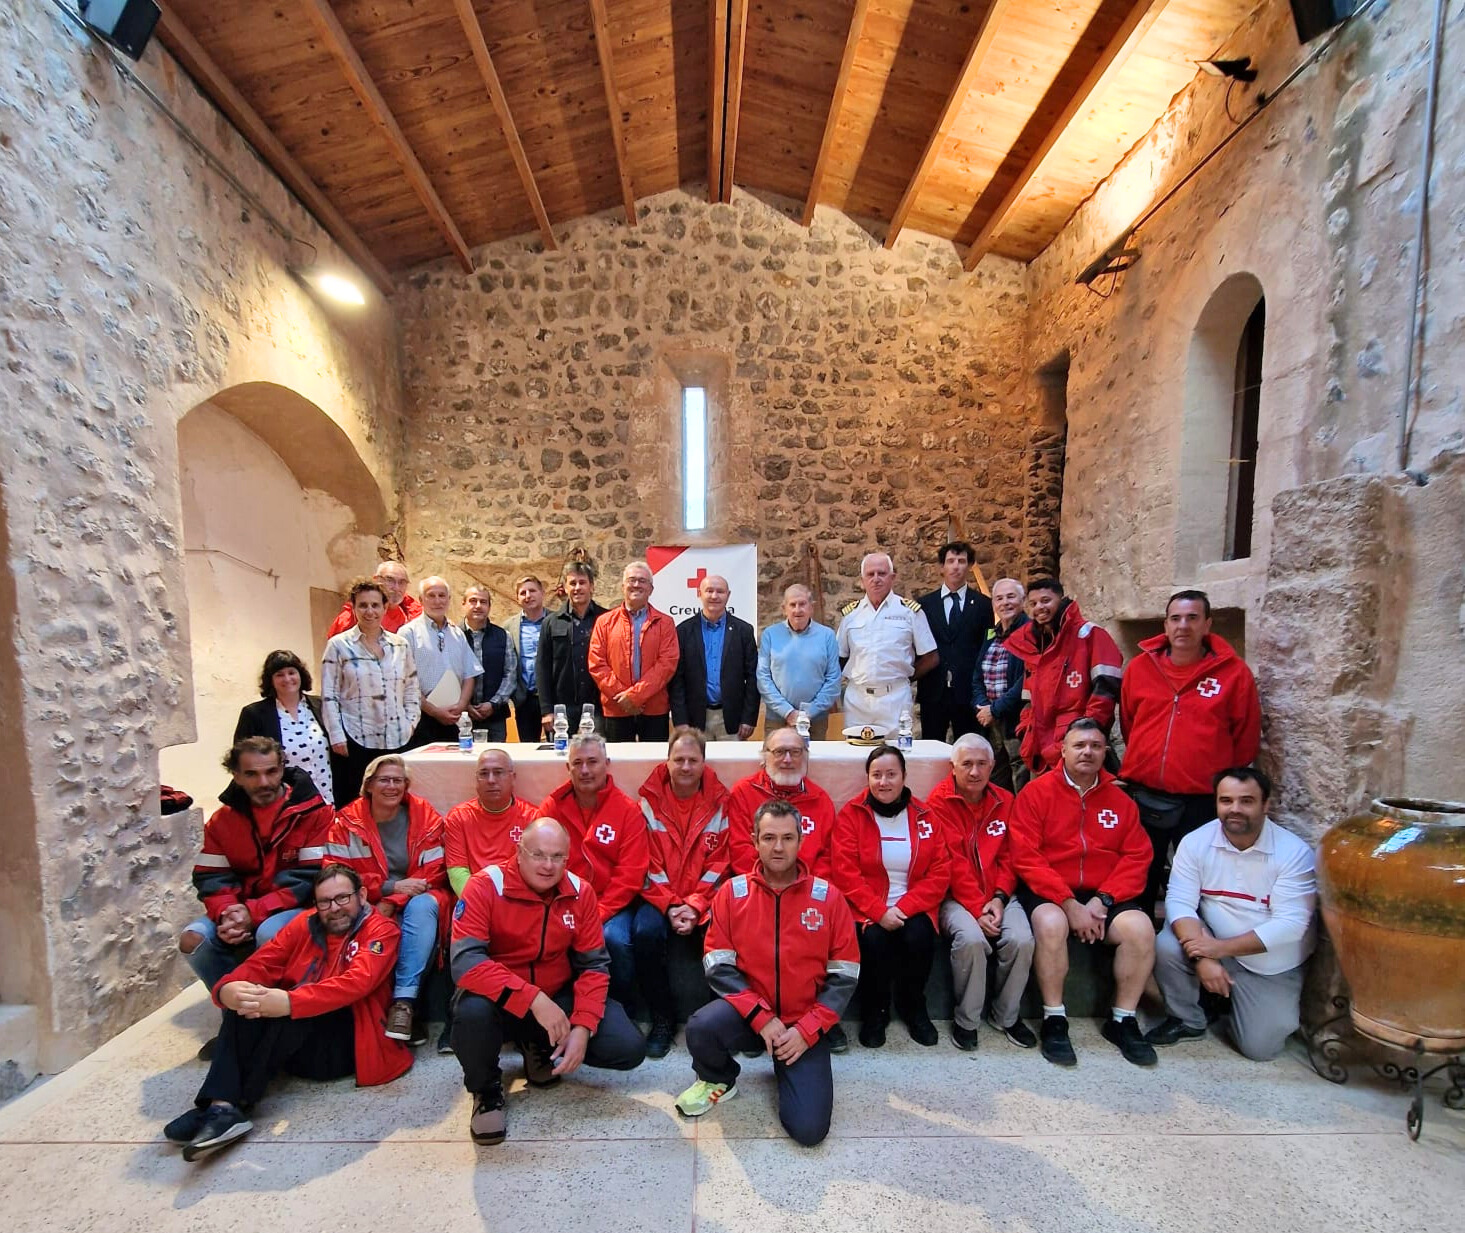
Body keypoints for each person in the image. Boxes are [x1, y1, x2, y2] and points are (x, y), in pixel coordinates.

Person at [164, 865, 411, 1161]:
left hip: (350, 1046)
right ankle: (220, 1105)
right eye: (324, 902)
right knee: (246, 1000)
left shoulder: (382, 930)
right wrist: (228, 989)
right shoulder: (304, 923)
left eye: (343, 898)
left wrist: (288, 1003)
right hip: (303, 1042)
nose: (334, 909)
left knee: (286, 1011)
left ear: (360, 895)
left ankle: (232, 1104)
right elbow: (262, 963)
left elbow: (355, 984)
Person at [451, 818, 646, 1145]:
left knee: (627, 1047)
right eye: (538, 854)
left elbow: (594, 966)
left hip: (556, 993)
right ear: (519, 852)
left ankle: (539, 1046)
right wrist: (532, 1000)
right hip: (501, 1000)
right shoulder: (485, 885)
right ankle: (486, 1091)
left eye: (557, 857)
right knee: (471, 1013)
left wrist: (583, 1026)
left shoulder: (580, 891)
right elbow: (466, 963)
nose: (547, 865)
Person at [675, 800, 859, 1146]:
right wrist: (760, 1017)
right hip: (749, 1016)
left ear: (801, 841)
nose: (778, 847)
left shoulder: (828, 898)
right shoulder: (732, 893)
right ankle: (719, 1080)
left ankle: (788, 1064)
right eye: (769, 837)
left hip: (803, 1022)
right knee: (701, 1027)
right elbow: (717, 964)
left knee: (809, 1131)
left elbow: (844, 976)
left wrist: (807, 1030)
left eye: (788, 838)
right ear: (754, 840)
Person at [1011, 719, 1156, 1068]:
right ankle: (1054, 1018)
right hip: (1052, 891)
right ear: (1063, 750)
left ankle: (1122, 1019)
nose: (1087, 752)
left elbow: (1138, 855)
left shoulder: (1121, 801)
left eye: (1095, 745)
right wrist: (1067, 902)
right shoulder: (1037, 793)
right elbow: (1026, 855)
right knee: (1049, 923)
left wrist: (1103, 899)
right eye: (1079, 745)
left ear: (1105, 751)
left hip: (1105, 894)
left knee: (1141, 929)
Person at [1146, 767, 1316, 1061]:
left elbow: (1291, 925)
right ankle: (1188, 1018)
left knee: (1260, 1049)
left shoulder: (1293, 853)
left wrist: (1218, 949)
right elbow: (1180, 901)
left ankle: (1226, 1001)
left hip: (1268, 963)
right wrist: (1204, 956)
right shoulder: (1196, 842)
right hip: (1215, 943)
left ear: (1266, 805)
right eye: (1226, 801)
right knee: (1167, 944)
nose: (1234, 809)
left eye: (1246, 801)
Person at [1119, 589, 1262, 916]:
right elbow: (1129, 721)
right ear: (1166, 625)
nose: (1183, 626)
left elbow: (1246, 734)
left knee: (1198, 880)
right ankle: (1138, 944)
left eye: (1192, 618)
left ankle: (1189, 946)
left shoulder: (1234, 674)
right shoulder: (1141, 668)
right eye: (1176, 618)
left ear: (1207, 624)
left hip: (1202, 800)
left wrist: (1216, 775)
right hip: (1146, 795)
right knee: (1140, 877)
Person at [180, 737, 333, 997]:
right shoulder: (222, 820)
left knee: (268, 933)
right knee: (193, 940)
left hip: (298, 905)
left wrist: (254, 913)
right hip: (242, 908)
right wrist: (227, 913)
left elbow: (312, 879)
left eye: (271, 771)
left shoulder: (315, 814)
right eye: (251, 774)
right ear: (236, 776)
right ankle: (233, 1006)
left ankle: (274, 1006)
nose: (263, 782)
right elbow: (211, 876)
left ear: (282, 769)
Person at [325, 755, 451, 1044]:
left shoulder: (425, 816)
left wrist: (392, 900)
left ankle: (404, 1004)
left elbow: (433, 871)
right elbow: (335, 875)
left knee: (423, 906)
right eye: (384, 779)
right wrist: (387, 888)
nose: (391, 786)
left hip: (411, 900)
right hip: (365, 900)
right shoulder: (345, 823)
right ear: (368, 785)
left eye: (398, 780)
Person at [832, 745, 950, 1048]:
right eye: (876, 775)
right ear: (868, 778)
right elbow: (844, 872)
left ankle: (914, 1006)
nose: (883, 782)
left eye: (891, 775)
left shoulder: (925, 815)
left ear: (904, 777)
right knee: (874, 942)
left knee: (919, 937)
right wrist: (878, 910)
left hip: (914, 904)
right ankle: (876, 1010)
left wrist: (904, 908)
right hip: (867, 907)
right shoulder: (852, 815)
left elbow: (940, 872)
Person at [926, 734, 1037, 1051]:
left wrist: (1000, 898)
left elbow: (1010, 856)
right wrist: (978, 908)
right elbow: (951, 862)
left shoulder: (1006, 800)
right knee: (972, 940)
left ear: (992, 766)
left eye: (981, 764)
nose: (974, 772)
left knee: (1022, 939)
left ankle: (1006, 1016)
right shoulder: (938, 803)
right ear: (953, 767)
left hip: (1001, 894)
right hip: (955, 897)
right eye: (967, 764)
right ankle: (967, 1020)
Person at [538, 733, 651, 1013]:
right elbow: (538, 860)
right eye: (578, 762)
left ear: (607, 764)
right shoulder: (552, 807)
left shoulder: (626, 810)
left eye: (592, 762)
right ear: (568, 768)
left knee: (612, 939)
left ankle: (620, 1009)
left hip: (611, 904)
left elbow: (631, 874)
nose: (585, 770)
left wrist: (596, 914)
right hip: (562, 900)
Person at [635, 727, 731, 1056]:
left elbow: (722, 862)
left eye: (693, 760)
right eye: (679, 759)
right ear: (667, 761)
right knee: (644, 933)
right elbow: (644, 861)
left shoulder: (721, 801)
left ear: (704, 762)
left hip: (704, 897)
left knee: (726, 933)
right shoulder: (648, 801)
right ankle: (663, 1019)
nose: (686, 767)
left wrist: (694, 905)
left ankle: (718, 1022)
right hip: (660, 895)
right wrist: (672, 905)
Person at [1006, 578, 1122, 775]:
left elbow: (1106, 689)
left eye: (1046, 600)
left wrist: (1086, 733)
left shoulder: (1090, 635)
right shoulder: (1035, 644)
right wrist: (1025, 729)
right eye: (1033, 604)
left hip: (1079, 747)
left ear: (1061, 599)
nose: (1039, 608)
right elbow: (1028, 698)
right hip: (1041, 746)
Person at [321, 578, 421, 806]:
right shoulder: (338, 646)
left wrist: (411, 722)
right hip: (356, 738)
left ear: (385, 607)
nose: (369, 611)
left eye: (375, 605)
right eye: (363, 605)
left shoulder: (400, 645)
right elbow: (329, 694)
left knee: (396, 803)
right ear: (354, 608)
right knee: (356, 805)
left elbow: (412, 688)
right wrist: (336, 735)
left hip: (397, 737)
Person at [836, 552, 938, 736]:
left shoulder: (909, 611)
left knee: (897, 755)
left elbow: (931, 657)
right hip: (858, 700)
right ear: (862, 580)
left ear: (893, 577)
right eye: (870, 574)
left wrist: (905, 676)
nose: (876, 579)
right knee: (856, 756)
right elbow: (840, 656)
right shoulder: (851, 615)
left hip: (895, 698)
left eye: (881, 573)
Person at [724, 727, 837, 881]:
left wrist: (804, 888)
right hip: (757, 887)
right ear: (764, 757)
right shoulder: (744, 793)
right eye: (779, 752)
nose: (788, 759)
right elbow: (740, 850)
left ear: (805, 757)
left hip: (805, 890)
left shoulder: (820, 800)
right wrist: (771, 886)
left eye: (795, 752)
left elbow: (827, 858)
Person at [588, 560, 680, 742]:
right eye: (632, 580)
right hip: (616, 708)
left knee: (654, 763)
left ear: (651, 589)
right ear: (623, 586)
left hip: (654, 708)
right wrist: (624, 698)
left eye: (642, 581)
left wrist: (635, 696)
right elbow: (597, 664)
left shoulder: (665, 623)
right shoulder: (604, 622)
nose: (636, 584)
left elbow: (667, 664)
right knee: (619, 764)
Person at [234, 649, 334, 807]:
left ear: (300, 675)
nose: (287, 679)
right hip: (285, 805)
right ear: (271, 680)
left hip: (328, 800)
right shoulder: (254, 714)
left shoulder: (322, 706)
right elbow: (241, 761)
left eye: (291, 672)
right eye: (279, 674)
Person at [916, 541, 993, 742]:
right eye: (950, 561)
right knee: (931, 748)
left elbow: (986, 647)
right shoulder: (924, 604)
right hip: (934, 690)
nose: (956, 566)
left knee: (969, 746)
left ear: (969, 566)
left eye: (961, 561)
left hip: (968, 691)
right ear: (942, 567)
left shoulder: (983, 605)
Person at [668, 574, 760, 741]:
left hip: (732, 719)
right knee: (697, 766)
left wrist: (748, 718)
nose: (714, 596)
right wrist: (680, 719)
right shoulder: (683, 631)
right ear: (699, 593)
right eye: (709, 591)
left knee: (733, 766)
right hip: (695, 720)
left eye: (720, 591)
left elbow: (753, 677)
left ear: (728, 595)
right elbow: (677, 680)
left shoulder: (743, 631)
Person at [444, 749, 540, 895]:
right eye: (483, 774)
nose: (491, 780)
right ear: (476, 780)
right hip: (474, 900)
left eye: (498, 772)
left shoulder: (533, 818)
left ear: (513, 777)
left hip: (518, 900)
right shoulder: (458, 817)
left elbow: (536, 871)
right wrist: (480, 903)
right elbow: (457, 873)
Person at [400, 577, 482, 746]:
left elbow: (469, 674)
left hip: (455, 718)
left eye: (442, 595)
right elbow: (404, 681)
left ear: (449, 599)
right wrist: (434, 711)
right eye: (431, 595)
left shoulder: (457, 634)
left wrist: (461, 705)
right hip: (422, 718)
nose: (437, 601)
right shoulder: (408, 633)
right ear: (421, 600)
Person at [756, 583, 842, 741]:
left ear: (811, 607)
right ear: (784, 608)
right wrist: (788, 712)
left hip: (815, 720)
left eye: (802, 604)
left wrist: (808, 713)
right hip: (777, 719)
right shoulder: (770, 635)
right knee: (775, 762)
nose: (797, 610)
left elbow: (833, 680)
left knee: (813, 764)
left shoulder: (827, 636)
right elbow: (763, 678)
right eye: (792, 605)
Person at [536, 558, 608, 737]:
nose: (577, 588)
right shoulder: (551, 622)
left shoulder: (606, 619)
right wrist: (546, 710)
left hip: (598, 707)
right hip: (562, 709)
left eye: (582, 582)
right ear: (565, 588)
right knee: (561, 759)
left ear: (591, 586)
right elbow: (542, 667)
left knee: (595, 755)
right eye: (572, 583)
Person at [971, 578, 1029, 792]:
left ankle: (1021, 823)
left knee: (1020, 773)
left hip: (1015, 719)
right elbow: (978, 674)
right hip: (991, 721)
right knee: (997, 775)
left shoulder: (1031, 633)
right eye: (999, 598)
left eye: (1011, 597)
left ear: (1022, 601)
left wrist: (994, 709)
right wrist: (981, 705)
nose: (1005, 603)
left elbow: (1026, 679)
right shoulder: (992, 634)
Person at [462, 584, 516, 743]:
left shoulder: (503, 636)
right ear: (463, 603)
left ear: (489, 606)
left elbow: (510, 674)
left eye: (483, 602)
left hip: (495, 716)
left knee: (496, 761)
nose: (478, 606)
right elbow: (449, 674)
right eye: (473, 601)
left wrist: (493, 703)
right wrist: (465, 705)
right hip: (461, 717)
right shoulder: (454, 635)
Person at [503, 575, 549, 741]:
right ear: (517, 598)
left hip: (551, 698)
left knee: (557, 748)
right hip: (525, 699)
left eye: (532, 591)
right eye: (523, 593)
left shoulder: (556, 621)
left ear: (542, 593)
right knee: (528, 748)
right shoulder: (508, 626)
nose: (528, 596)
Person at [325, 559, 420, 637]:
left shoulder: (415, 615)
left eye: (402, 582)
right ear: (376, 580)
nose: (396, 588)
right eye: (390, 580)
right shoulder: (352, 616)